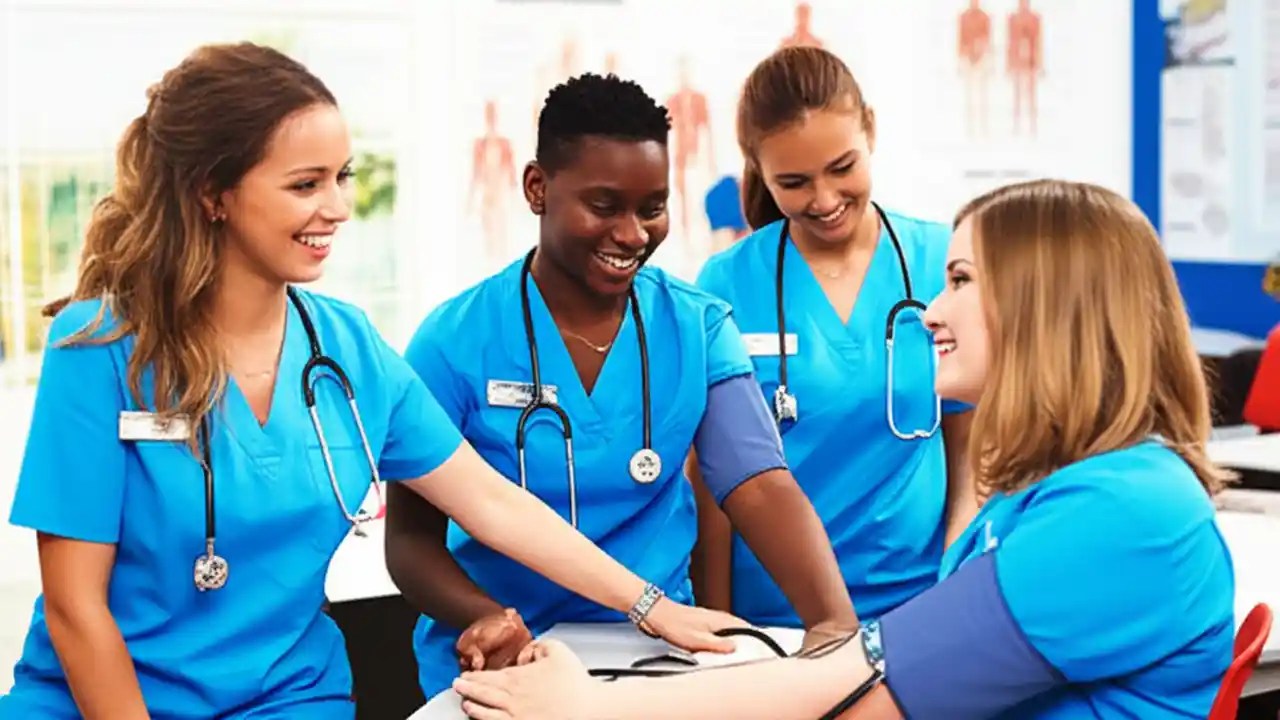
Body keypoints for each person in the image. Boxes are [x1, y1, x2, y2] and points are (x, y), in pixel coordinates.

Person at [0, 43, 745, 720]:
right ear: (212, 192)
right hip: (91, 700)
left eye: (342, 178)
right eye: (304, 184)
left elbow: (490, 503)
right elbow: (74, 608)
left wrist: (653, 607)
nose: (338, 207)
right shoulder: (99, 347)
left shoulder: (348, 348)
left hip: (286, 701)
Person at [451, 178, 1237, 720]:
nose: (931, 309)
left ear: (1047, 307)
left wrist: (591, 705)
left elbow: (862, 689)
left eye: (960, 279)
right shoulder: (1078, 492)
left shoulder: (1120, 515)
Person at [387, 72, 857, 701]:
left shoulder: (695, 326)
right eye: (604, 206)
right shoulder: (454, 341)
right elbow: (410, 542)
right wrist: (481, 614)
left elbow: (759, 483)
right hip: (502, 666)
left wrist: (832, 624)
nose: (633, 234)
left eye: (652, 208)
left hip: (653, 657)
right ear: (537, 188)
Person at [692, 46, 975, 631]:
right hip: (774, 616)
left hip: (917, 605)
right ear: (759, 172)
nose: (823, 200)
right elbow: (711, 479)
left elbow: (970, 443)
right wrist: (717, 629)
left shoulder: (941, 259)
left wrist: (957, 581)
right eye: (792, 183)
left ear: (870, 128)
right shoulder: (725, 283)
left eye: (842, 168)